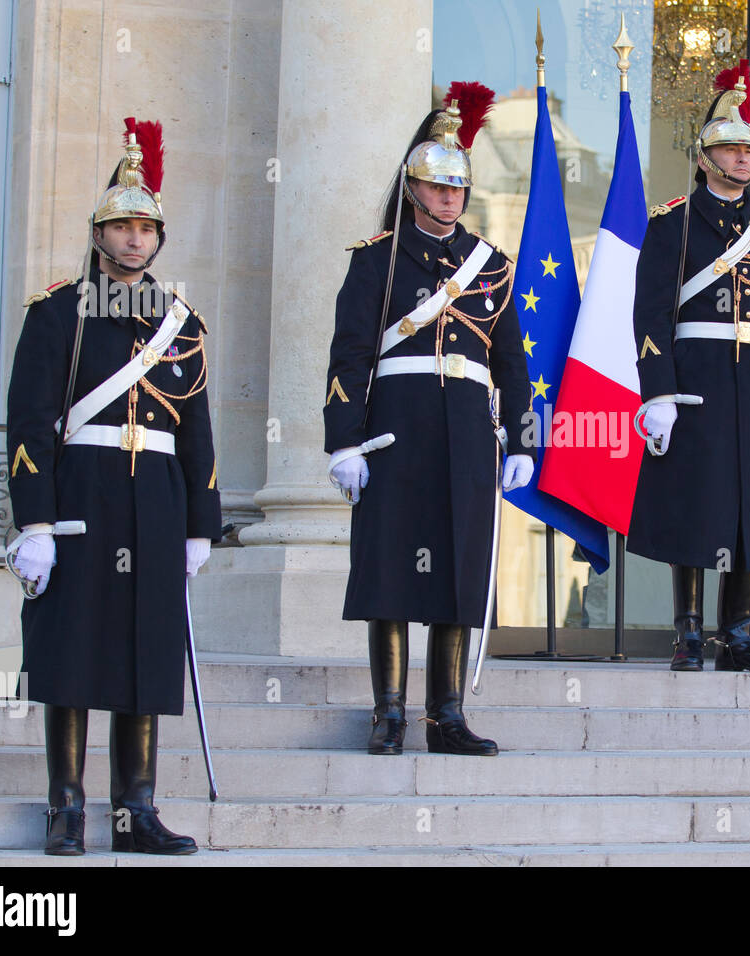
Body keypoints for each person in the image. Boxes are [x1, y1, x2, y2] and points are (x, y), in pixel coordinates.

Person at [6, 119, 221, 854]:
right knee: (71, 651)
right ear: (99, 233)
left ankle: (136, 811)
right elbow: (29, 425)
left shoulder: (182, 322)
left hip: (156, 498)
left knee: (144, 649)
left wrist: (202, 524)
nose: (135, 240)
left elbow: (197, 431)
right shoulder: (57, 311)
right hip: (80, 497)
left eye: (146, 228)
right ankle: (66, 809)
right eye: (122, 226)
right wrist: (33, 523)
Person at [324, 83, 533, 756]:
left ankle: (446, 716)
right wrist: (343, 441)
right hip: (396, 431)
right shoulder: (376, 259)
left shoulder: (491, 267)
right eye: (436, 188)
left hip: (467, 432)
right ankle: (388, 713)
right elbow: (349, 356)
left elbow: (512, 362)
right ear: (413, 189)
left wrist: (524, 436)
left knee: (458, 571)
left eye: (456, 190)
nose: (447, 199)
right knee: (389, 571)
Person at [628, 62, 750, 673]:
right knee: (694, 502)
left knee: (749, 508)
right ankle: (688, 633)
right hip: (694, 377)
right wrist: (658, 393)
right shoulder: (672, 222)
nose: (743, 158)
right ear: (705, 157)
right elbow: (650, 315)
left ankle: (737, 635)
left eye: (749, 149)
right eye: (730, 148)